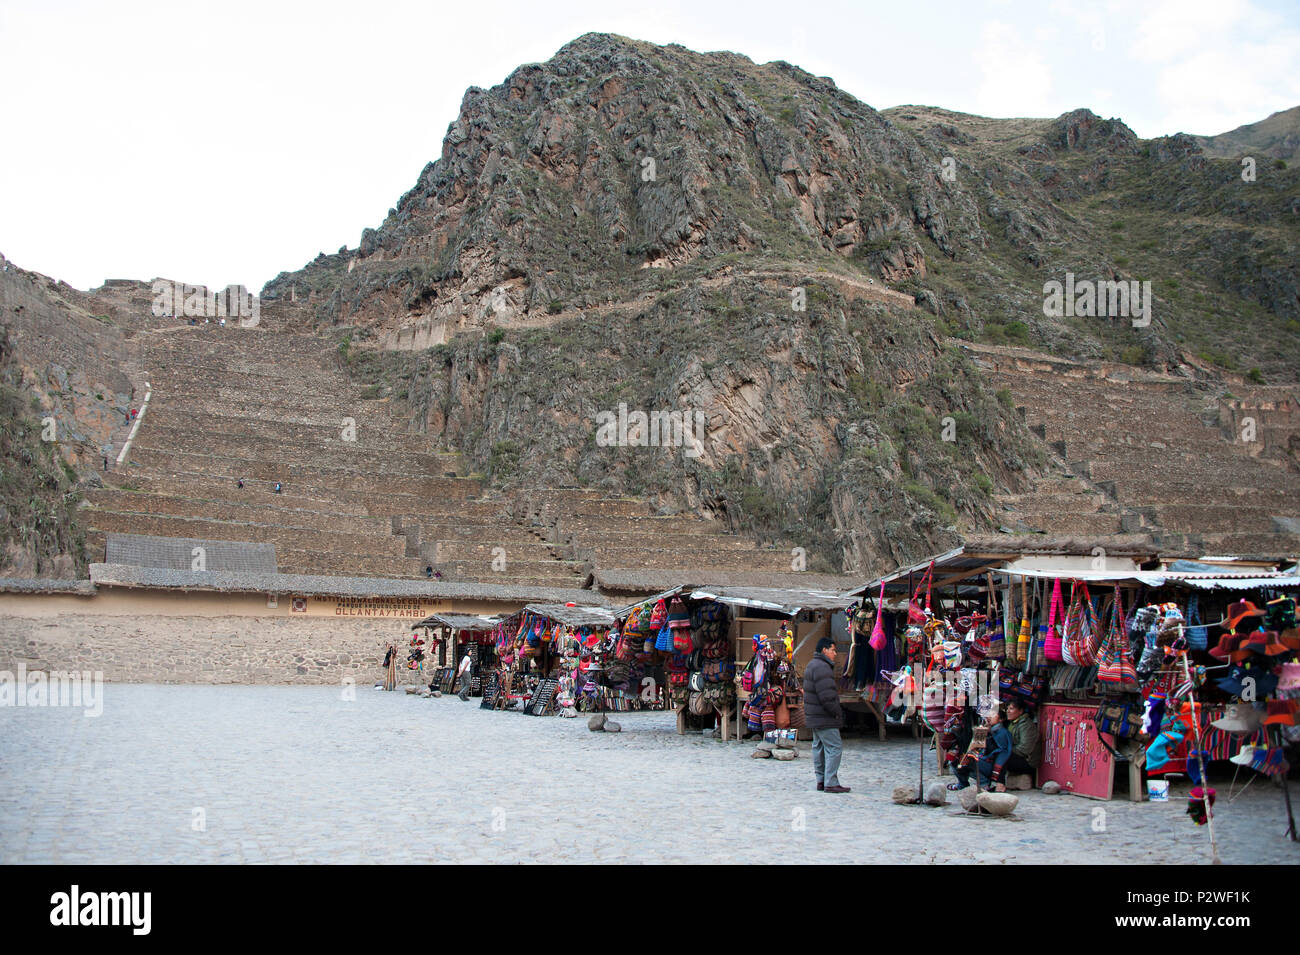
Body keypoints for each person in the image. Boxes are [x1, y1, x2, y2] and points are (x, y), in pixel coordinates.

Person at [804, 636, 849, 793]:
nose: (835, 654)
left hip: (815, 716)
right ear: (824, 650)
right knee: (834, 747)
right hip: (824, 717)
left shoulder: (812, 665)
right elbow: (827, 697)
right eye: (833, 650)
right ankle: (831, 781)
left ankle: (821, 780)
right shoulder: (822, 668)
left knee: (819, 747)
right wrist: (837, 713)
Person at [949, 706, 1013, 791]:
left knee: (969, 761)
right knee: (955, 759)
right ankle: (962, 783)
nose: (989, 717)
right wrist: (982, 732)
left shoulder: (1003, 733)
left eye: (993, 715)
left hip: (991, 765)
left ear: (1000, 719)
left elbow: (1003, 754)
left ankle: (984, 783)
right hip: (982, 760)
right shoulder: (985, 729)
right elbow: (975, 747)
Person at [1004, 700, 1041, 780]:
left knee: (1001, 756)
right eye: (1007, 709)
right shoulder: (1013, 723)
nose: (1008, 711)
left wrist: (1007, 750)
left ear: (1020, 711)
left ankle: (1000, 783)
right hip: (1017, 756)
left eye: (1011, 709)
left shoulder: (1026, 725)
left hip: (1028, 761)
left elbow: (1024, 749)